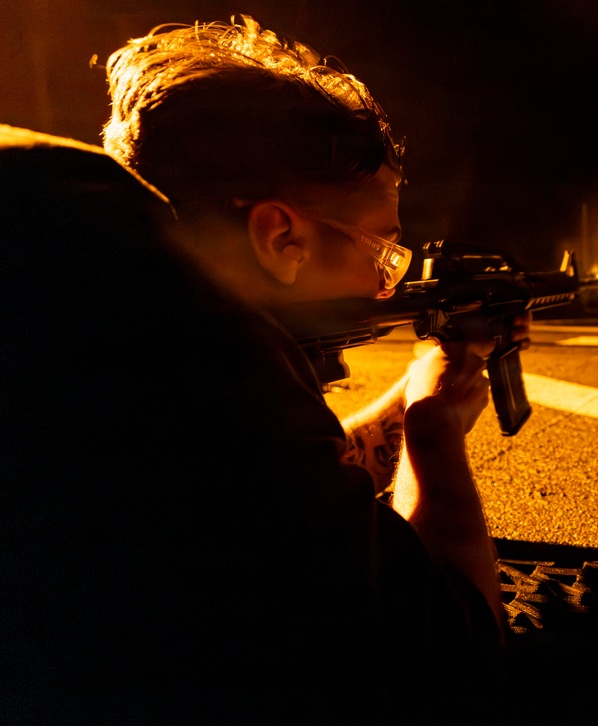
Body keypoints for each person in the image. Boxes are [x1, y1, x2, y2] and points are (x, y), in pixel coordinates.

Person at [2, 15, 525, 722]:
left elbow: (273, 490)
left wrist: (414, 392)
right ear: (281, 236)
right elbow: (456, 654)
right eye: (383, 252)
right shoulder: (212, 357)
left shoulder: (97, 314)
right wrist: (435, 434)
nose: (385, 287)